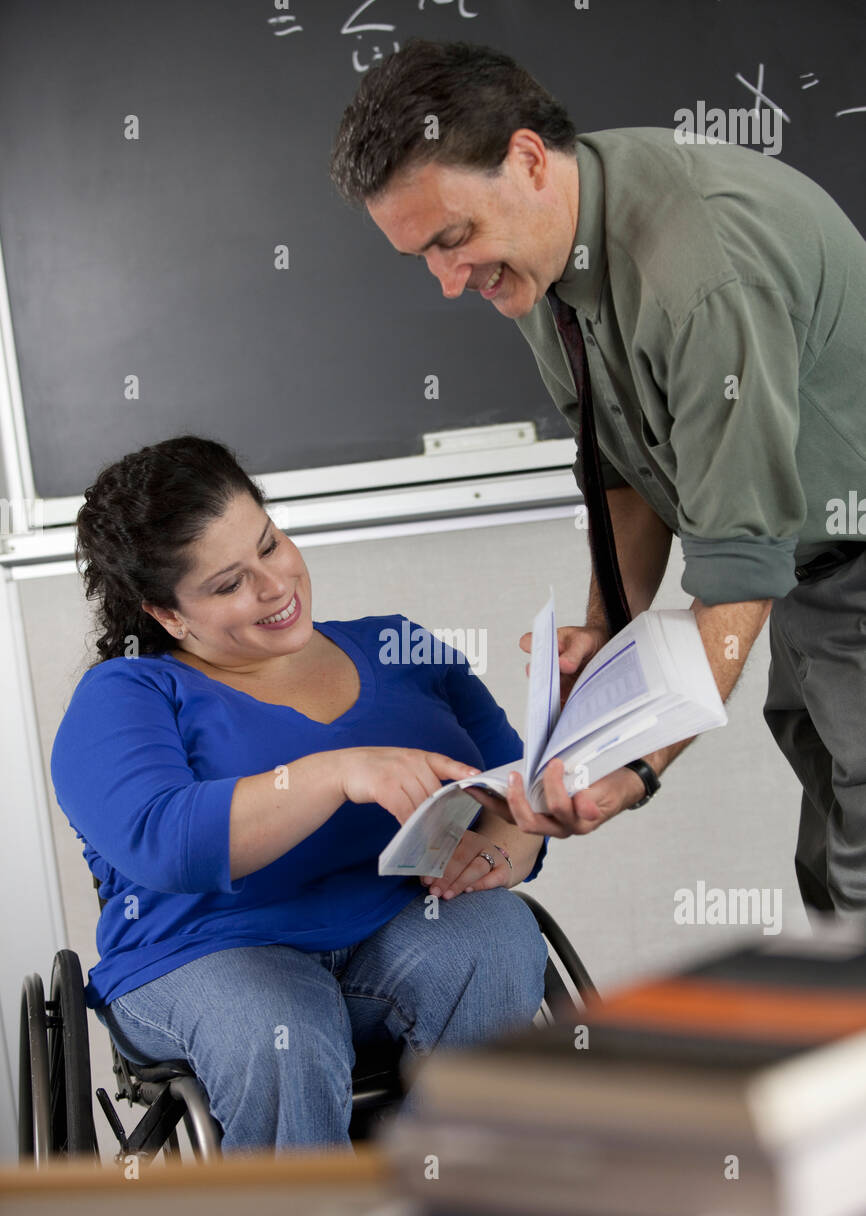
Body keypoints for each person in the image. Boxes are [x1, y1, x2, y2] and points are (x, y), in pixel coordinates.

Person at [329, 38, 866, 930]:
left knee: (859, 886)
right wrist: (606, 631)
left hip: (838, 558)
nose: (450, 281)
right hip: (814, 569)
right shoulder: (546, 254)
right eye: (422, 254)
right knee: (834, 842)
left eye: (453, 239)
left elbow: (740, 564)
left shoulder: (698, 278)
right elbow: (624, 467)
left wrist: (638, 766)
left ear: (529, 159)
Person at [50, 435, 548, 1154]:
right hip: (206, 954)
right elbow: (167, 842)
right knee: (280, 1025)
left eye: (270, 544)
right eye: (228, 585)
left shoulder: (397, 648)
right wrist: (336, 772)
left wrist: (499, 852)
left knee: (499, 936)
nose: (276, 585)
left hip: (395, 929)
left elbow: (515, 792)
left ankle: (441, 1205)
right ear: (167, 615)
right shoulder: (126, 695)